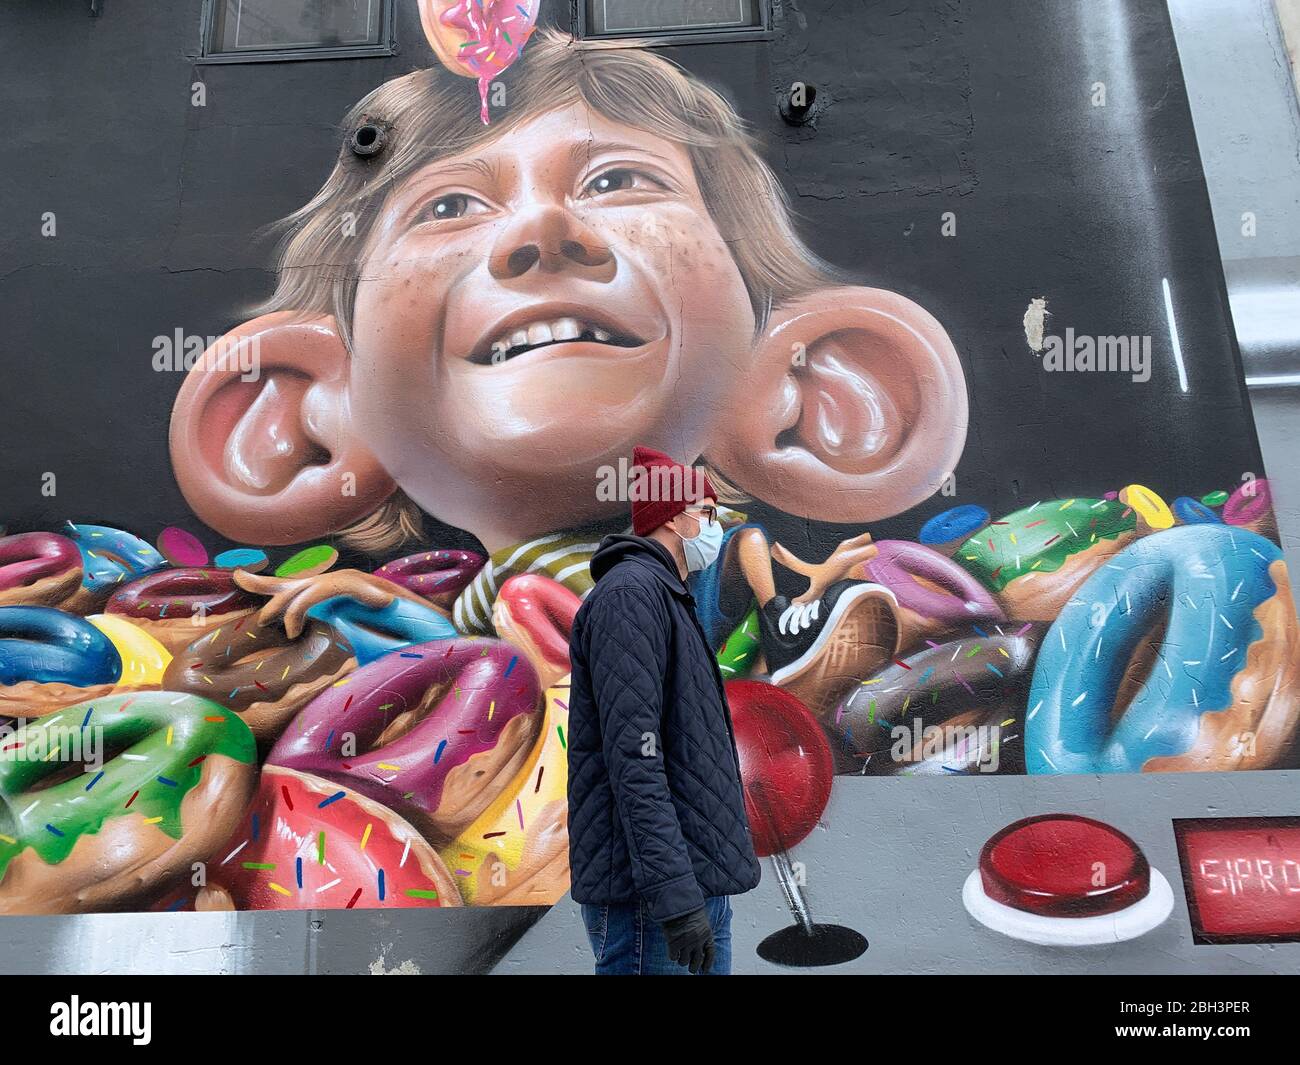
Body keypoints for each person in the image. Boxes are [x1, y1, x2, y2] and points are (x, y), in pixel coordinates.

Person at [566, 446, 762, 975]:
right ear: (675, 517)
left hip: (686, 885)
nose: (715, 527)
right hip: (652, 900)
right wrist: (675, 900)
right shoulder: (630, 597)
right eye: (709, 512)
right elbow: (634, 759)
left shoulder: (663, 595)